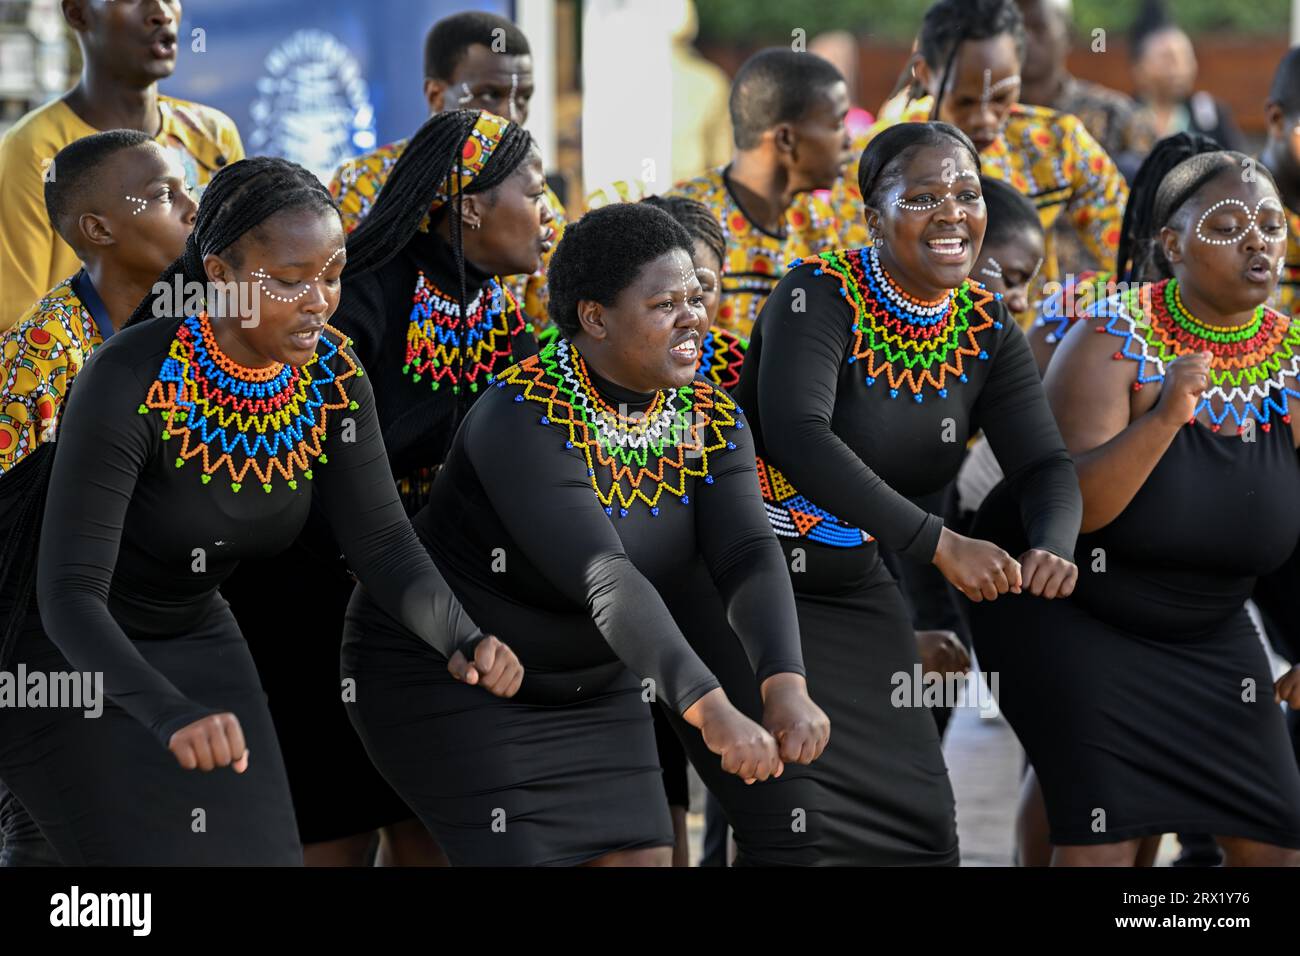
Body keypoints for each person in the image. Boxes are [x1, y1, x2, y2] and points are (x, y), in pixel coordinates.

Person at [0, 156, 520, 865]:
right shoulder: (131, 378)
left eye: (332, 276)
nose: (318, 301)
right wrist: (167, 712)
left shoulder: (331, 374)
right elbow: (68, 596)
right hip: (63, 651)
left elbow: (385, 547)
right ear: (218, 274)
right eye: (288, 280)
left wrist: (463, 638)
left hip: (196, 631)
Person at [343, 201, 828, 866]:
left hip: (592, 684)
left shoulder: (706, 416)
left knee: (640, 859)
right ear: (595, 318)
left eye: (695, 296)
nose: (692, 316)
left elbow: (745, 552)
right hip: (460, 677)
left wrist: (785, 685)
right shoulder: (524, 414)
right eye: (664, 304)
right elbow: (606, 575)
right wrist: (711, 710)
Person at [733, 121, 1080, 864]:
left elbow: (1045, 464)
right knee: (799, 825)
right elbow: (799, 436)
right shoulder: (818, 293)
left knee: (921, 825)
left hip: (857, 583)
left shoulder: (985, 325)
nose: (954, 212)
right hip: (753, 579)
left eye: (967, 192)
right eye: (924, 197)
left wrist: (1052, 543)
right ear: (874, 216)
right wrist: (939, 544)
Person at [220, 109, 552, 866]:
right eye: (533, 193)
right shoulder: (355, 299)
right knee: (333, 832)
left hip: (425, 604)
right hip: (312, 605)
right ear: (469, 205)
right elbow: (309, 464)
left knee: (431, 826)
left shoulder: (497, 313)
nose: (547, 216)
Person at [970, 145, 1300, 866]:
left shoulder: (1293, 359)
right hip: (1074, 614)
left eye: (1272, 224)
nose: (1257, 239)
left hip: (1208, 625)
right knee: (1104, 839)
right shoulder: (1109, 338)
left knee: (1277, 838)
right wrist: (1163, 420)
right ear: (1171, 244)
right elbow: (1074, 508)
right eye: (1228, 223)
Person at [0, 129, 198, 866]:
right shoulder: (41, 360)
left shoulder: (195, 326)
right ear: (98, 229)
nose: (190, 206)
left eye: (186, 187)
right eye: (163, 195)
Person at [812, 0, 1127, 321]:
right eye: (964, 101)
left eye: (1002, 97)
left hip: (1030, 357)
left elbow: (1131, 254)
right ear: (924, 74)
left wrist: (1067, 309)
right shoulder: (873, 159)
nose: (985, 118)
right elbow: (852, 280)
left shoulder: (1058, 146)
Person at [0, 0, 242, 329]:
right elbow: (15, 321)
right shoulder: (35, 148)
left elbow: (241, 270)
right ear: (77, 12)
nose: (162, 12)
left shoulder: (213, 135)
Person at [328, 11, 564, 327]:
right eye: (490, 94)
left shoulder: (539, 204)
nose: (512, 115)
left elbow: (551, 328)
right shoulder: (362, 184)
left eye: (523, 98)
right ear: (436, 96)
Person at [667, 48, 852, 337]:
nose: (848, 140)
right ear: (787, 138)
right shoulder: (686, 217)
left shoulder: (816, 220)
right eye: (838, 124)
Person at [1015, 0, 1155, 182]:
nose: (1025, 38)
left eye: (1039, 28)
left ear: (1069, 36)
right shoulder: (987, 116)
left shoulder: (1116, 115)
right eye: (1015, 29)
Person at [1129, 3, 1244, 153]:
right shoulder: (1127, 116)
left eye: (1186, 57)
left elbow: (1237, 164)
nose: (1179, 68)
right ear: (1139, 69)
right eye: (1167, 59)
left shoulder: (1210, 115)